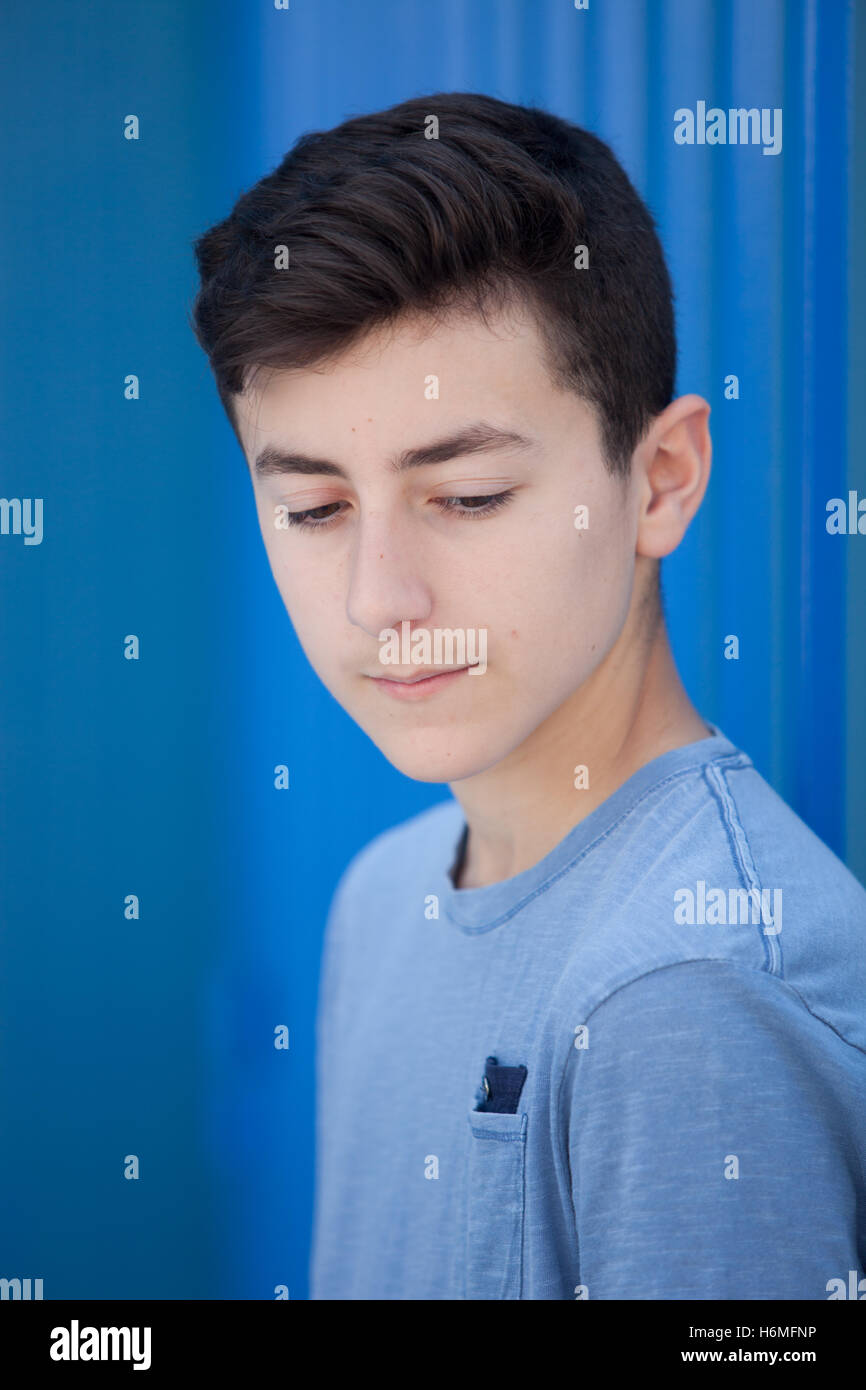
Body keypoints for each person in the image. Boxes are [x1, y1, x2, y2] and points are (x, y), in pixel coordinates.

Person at [191, 91, 866, 1299]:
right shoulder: (385, 895)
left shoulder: (686, 989)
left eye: (466, 495)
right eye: (314, 509)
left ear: (659, 478)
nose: (376, 599)